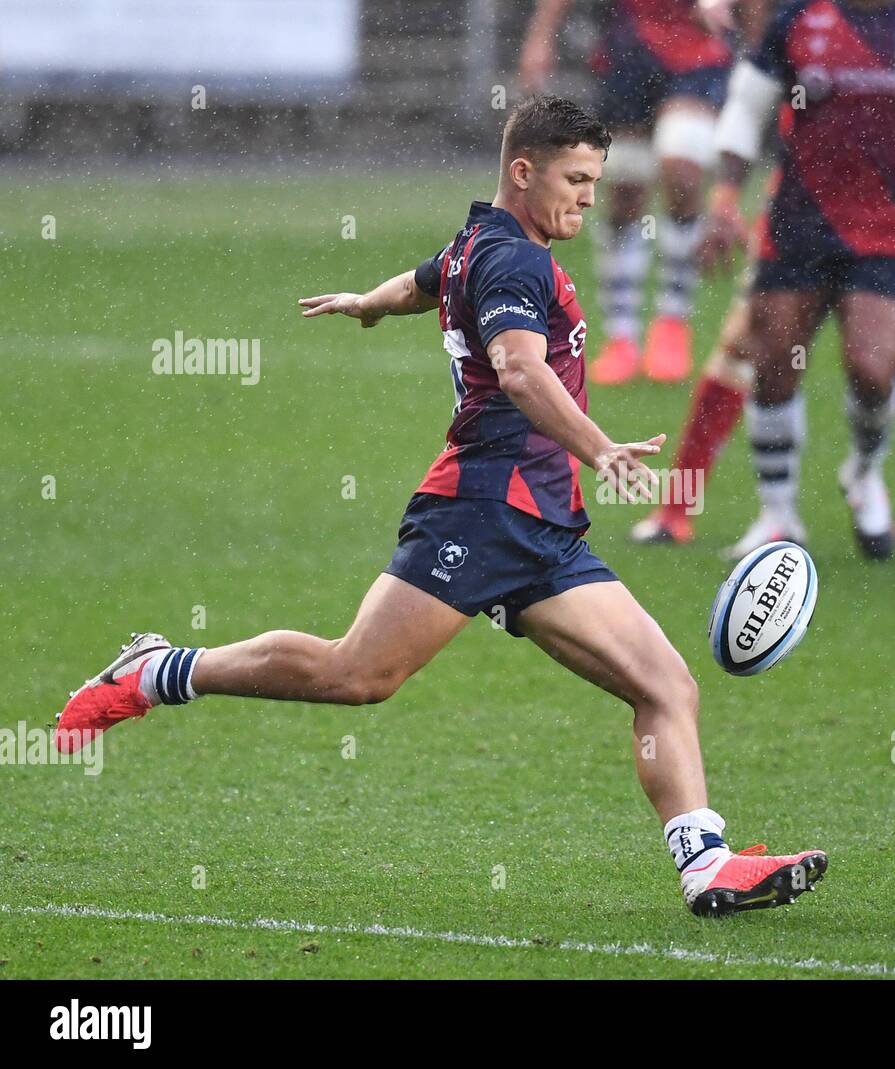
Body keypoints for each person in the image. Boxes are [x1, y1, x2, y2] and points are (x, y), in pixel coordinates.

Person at [55, 95, 827, 918]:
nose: (589, 196)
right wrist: (598, 447)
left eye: (596, 181)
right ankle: (157, 669)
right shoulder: (515, 262)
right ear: (523, 171)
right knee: (357, 674)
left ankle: (706, 865)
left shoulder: (479, 244)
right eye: (575, 178)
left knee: (665, 684)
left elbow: (424, 283)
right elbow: (521, 370)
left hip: (545, 530)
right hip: (480, 507)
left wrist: (371, 301)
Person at [632, 0, 895, 548]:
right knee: (756, 348)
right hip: (801, 211)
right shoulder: (800, 18)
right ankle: (690, 508)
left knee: (890, 367)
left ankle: (885, 447)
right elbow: (750, 86)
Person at [519, 0, 765, 384]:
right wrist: (540, 38)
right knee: (624, 189)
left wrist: (754, 43)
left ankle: (672, 320)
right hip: (629, 49)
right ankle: (621, 336)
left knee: (683, 170)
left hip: (699, 51)